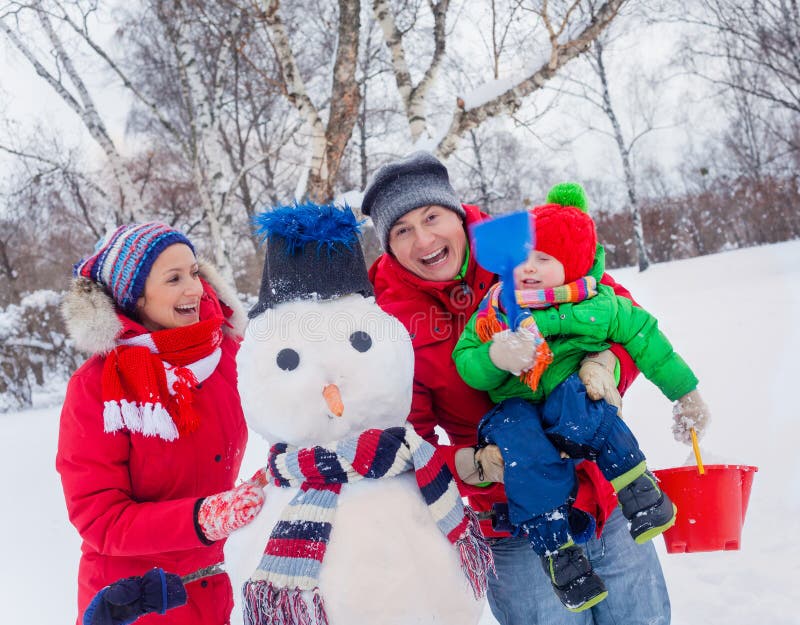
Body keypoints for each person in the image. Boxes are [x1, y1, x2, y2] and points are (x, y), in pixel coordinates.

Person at [363, 151, 672, 625]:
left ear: (458, 214)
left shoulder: (524, 248)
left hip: (603, 492)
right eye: (402, 230)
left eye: (431, 217)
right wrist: (473, 465)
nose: (423, 239)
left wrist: (608, 364)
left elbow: (623, 318)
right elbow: (407, 443)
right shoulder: (387, 320)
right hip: (515, 524)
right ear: (388, 246)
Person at [452, 188, 711, 612]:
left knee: (582, 401)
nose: (528, 268)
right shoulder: (496, 307)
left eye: (543, 259)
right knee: (517, 445)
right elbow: (467, 360)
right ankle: (558, 551)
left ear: (571, 264)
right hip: (516, 405)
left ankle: (638, 489)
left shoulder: (600, 304)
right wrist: (494, 356)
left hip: (570, 398)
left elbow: (647, 340)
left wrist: (685, 393)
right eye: (523, 257)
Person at [57, 222, 266, 625]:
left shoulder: (227, 353)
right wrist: (203, 518)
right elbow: (100, 518)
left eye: (194, 272)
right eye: (174, 279)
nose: (195, 289)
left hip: (215, 589)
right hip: (134, 602)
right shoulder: (97, 387)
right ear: (135, 298)